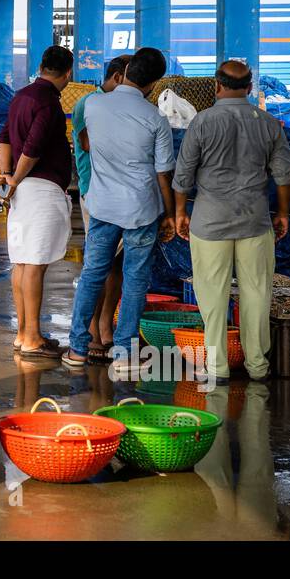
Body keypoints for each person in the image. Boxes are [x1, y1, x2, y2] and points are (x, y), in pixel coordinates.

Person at [173, 60, 290, 385]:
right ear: (251, 88)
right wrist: (282, 213)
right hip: (255, 221)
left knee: (212, 294)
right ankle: (257, 365)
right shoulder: (268, 123)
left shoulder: (202, 122)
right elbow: (284, 174)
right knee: (257, 291)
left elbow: (183, 173)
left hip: (210, 222)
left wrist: (180, 212)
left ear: (217, 86)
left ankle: (217, 367)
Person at [63, 47, 175, 375]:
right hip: (141, 208)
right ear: (154, 83)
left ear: (125, 74)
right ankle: (125, 353)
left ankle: (77, 349)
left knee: (93, 274)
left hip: (101, 205)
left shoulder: (94, 105)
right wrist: (169, 215)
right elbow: (163, 174)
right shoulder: (156, 118)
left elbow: (83, 142)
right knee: (135, 278)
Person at [0, 45, 74, 360]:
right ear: (68, 73)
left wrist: (7, 176)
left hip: (22, 190)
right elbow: (33, 147)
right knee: (34, 264)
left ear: (42, 66)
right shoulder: (48, 103)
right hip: (39, 189)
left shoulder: (21, 96)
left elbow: (4, 138)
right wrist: (15, 177)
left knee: (22, 261)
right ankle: (31, 337)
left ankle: (22, 334)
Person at [71, 54, 132, 362]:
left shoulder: (115, 106)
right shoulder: (89, 104)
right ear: (118, 78)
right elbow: (87, 143)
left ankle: (106, 324)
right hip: (96, 193)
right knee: (99, 264)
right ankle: (93, 329)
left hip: (120, 196)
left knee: (117, 266)